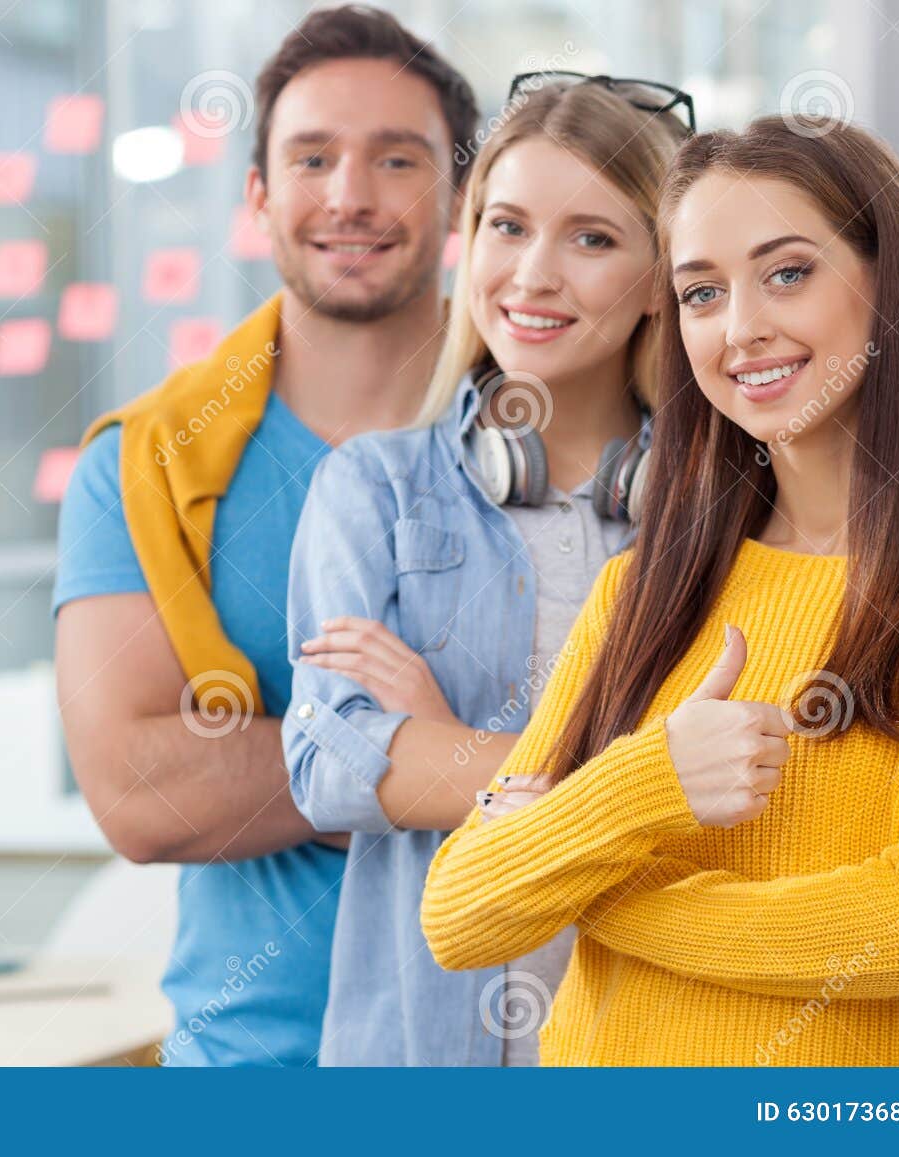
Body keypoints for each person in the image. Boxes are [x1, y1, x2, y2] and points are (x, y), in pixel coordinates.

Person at [420, 115, 899, 1066]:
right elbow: (459, 911)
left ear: (883, 283)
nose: (741, 329)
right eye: (700, 292)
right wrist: (654, 779)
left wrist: (591, 887)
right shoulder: (641, 589)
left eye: (787, 272)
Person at [53, 5, 476, 1067]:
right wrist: (433, 766)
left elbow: (622, 762)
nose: (350, 195)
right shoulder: (145, 463)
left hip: (521, 1045)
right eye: (312, 157)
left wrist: (304, 764)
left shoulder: (565, 437)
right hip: (249, 1062)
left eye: (397, 158)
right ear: (259, 196)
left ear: (462, 193)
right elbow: (136, 791)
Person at [282, 75, 692, 1065]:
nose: (534, 274)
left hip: (642, 1046)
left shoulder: (712, 517)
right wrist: (608, 783)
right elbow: (331, 765)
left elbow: (740, 807)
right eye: (507, 227)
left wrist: (446, 747)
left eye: (592, 238)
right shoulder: (373, 488)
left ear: (656, 280)